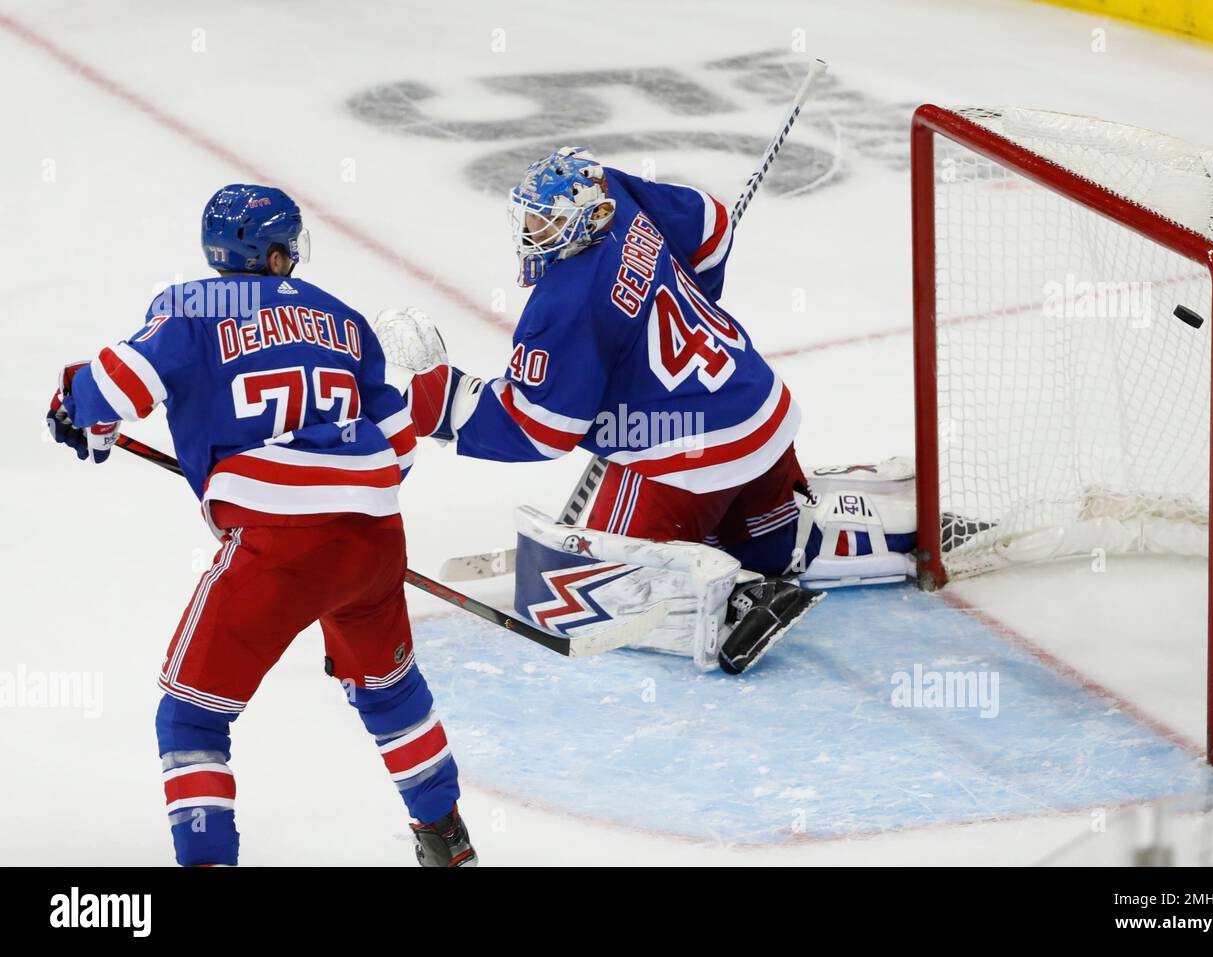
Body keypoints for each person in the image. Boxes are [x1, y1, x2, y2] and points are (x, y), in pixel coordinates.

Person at [46, 184, 475, 867]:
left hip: (276, 548)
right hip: (372, 538)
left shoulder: (189, 308)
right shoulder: (343, 317)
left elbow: (111, 388)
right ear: (277, 253)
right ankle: (448, 840)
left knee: (190, 718)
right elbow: (400, 451)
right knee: (393, 697)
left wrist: (77, 412)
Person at [375, 148, 831, 673]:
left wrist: (441, 405)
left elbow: (540, 428)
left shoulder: (564, 302)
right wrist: (674, 309)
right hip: (762, 409)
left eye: (546, 222)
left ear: (585, 218)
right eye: (531, 216)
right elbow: (711, 227)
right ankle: (787, 536)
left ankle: (742, 598)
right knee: (770, 548)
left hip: (680, 456)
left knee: (588, 593)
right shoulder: (614, 192)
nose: (531, 231)